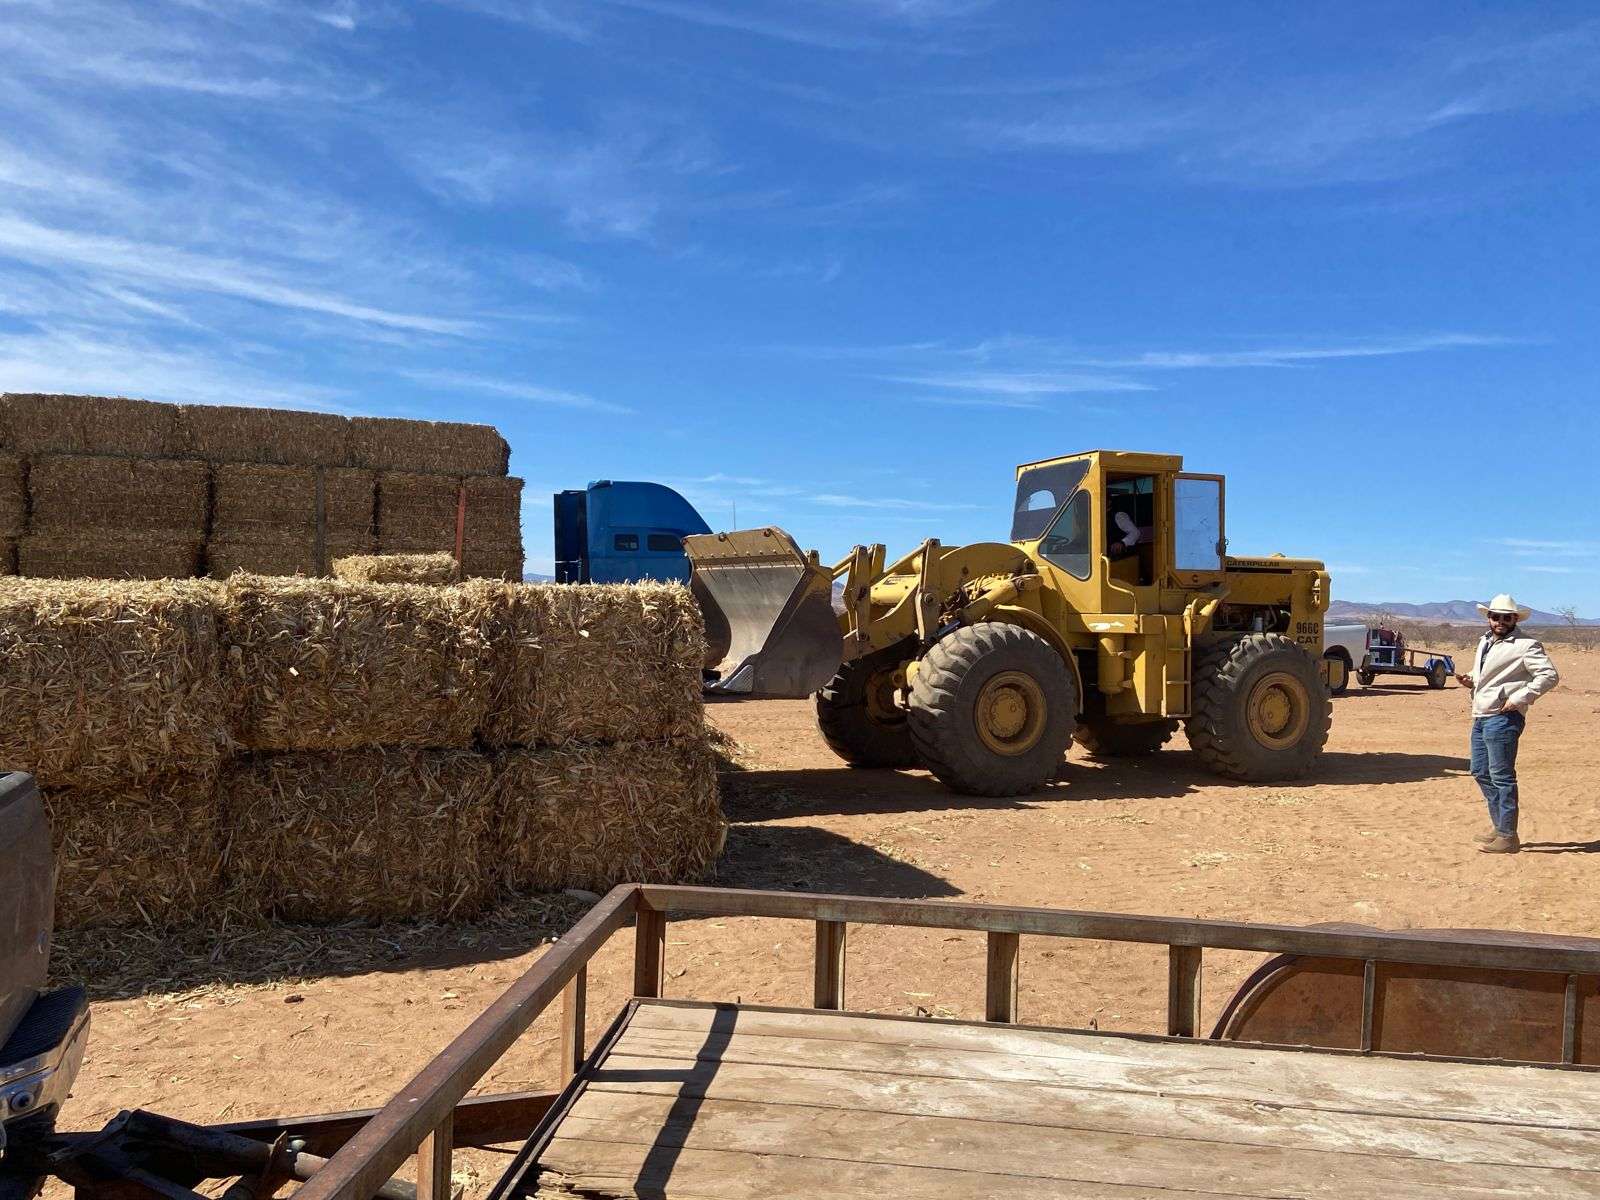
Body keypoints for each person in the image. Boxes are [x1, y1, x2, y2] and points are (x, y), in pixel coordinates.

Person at [1454, 594, 1559, 854]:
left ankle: (1508, 835)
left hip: (1504, 717)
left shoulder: (1527, 645)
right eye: (1496, 617)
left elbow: (1549, 675)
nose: (1500, 621)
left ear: (1515, 619)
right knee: (1480, 771)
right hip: (1481, 714)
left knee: (1501, 776)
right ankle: (1500, 825)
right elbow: (1487, 673)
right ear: (1489, 618)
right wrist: (1471, 679)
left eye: (1506, 617)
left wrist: (1519, 698)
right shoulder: (1485, 641)